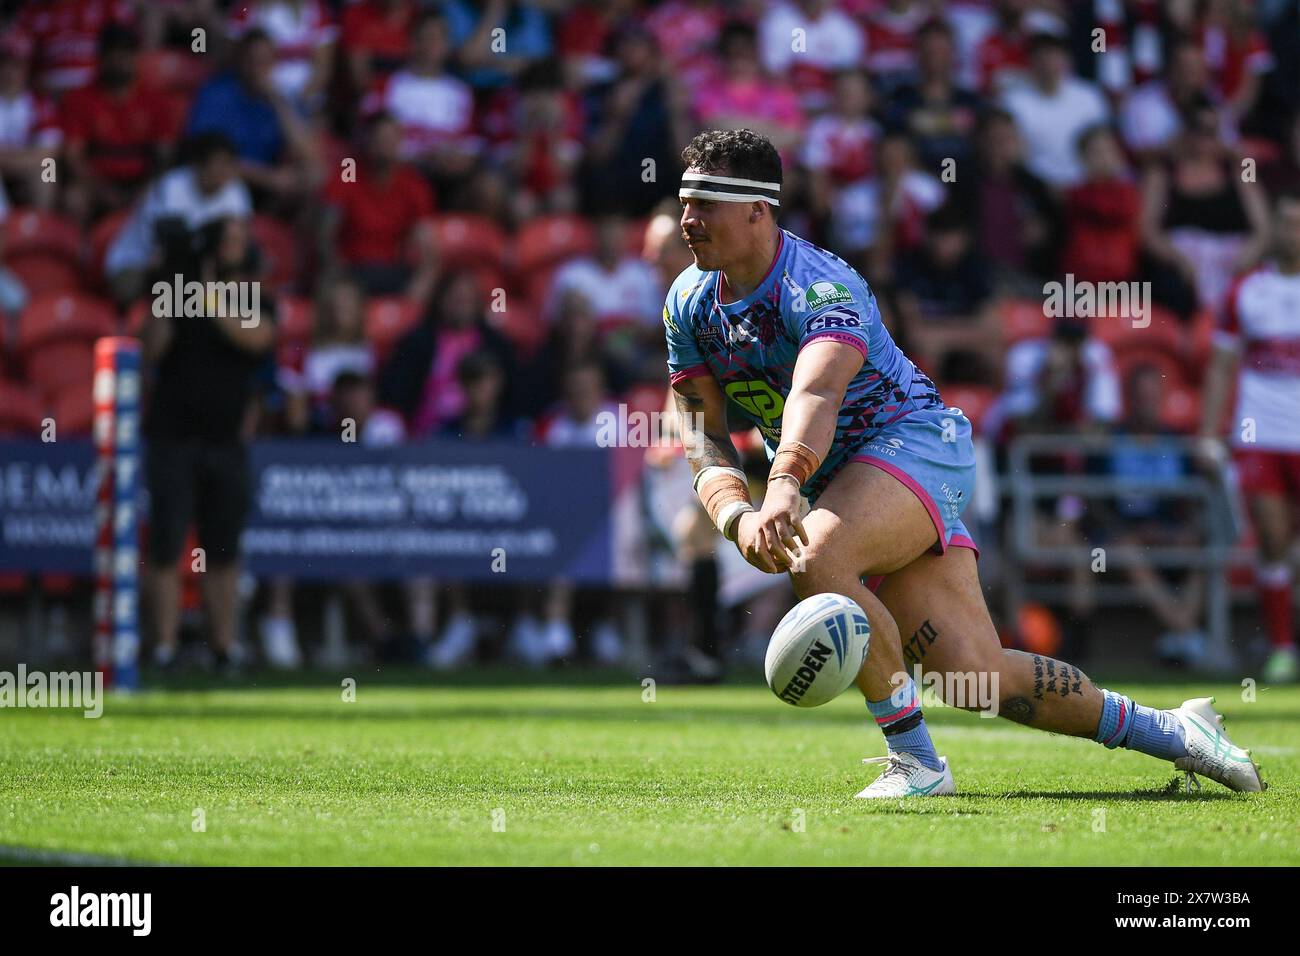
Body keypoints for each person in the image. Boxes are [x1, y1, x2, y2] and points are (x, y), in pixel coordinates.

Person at [665, 128, 1263, 797]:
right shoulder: (687, 303)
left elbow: (816, 393)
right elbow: (698, 425)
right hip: (842, 478)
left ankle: (916, 765)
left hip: (913, 446)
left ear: (758, 210)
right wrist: (734, 516)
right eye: (684, 200)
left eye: (706, 201)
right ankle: (1179, 733)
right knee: (973, 676)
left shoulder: (820, 287)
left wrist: (780, 486)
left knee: (818, 555)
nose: (687, 218)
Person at [141, 216, 277, 674]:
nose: (237, 246)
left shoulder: (250, 296)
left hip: (225, 441)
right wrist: (171, 286)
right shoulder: (175, 292)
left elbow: (255, 337)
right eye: (229, 239)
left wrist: (206, 294)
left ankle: (225, 646)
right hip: (172, 437)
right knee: (166, 544)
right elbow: (151, 349)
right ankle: (164, 646)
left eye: (241, 239)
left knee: (224, 549)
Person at [1199, 189, 1300, 683]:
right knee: (1274, 538)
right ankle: (1283, 646)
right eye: (1285, 223)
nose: (1292, 233)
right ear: (1273, 229)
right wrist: (1207, 430)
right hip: (1261, 432)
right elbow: (1221, 366)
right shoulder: (1246, 291)